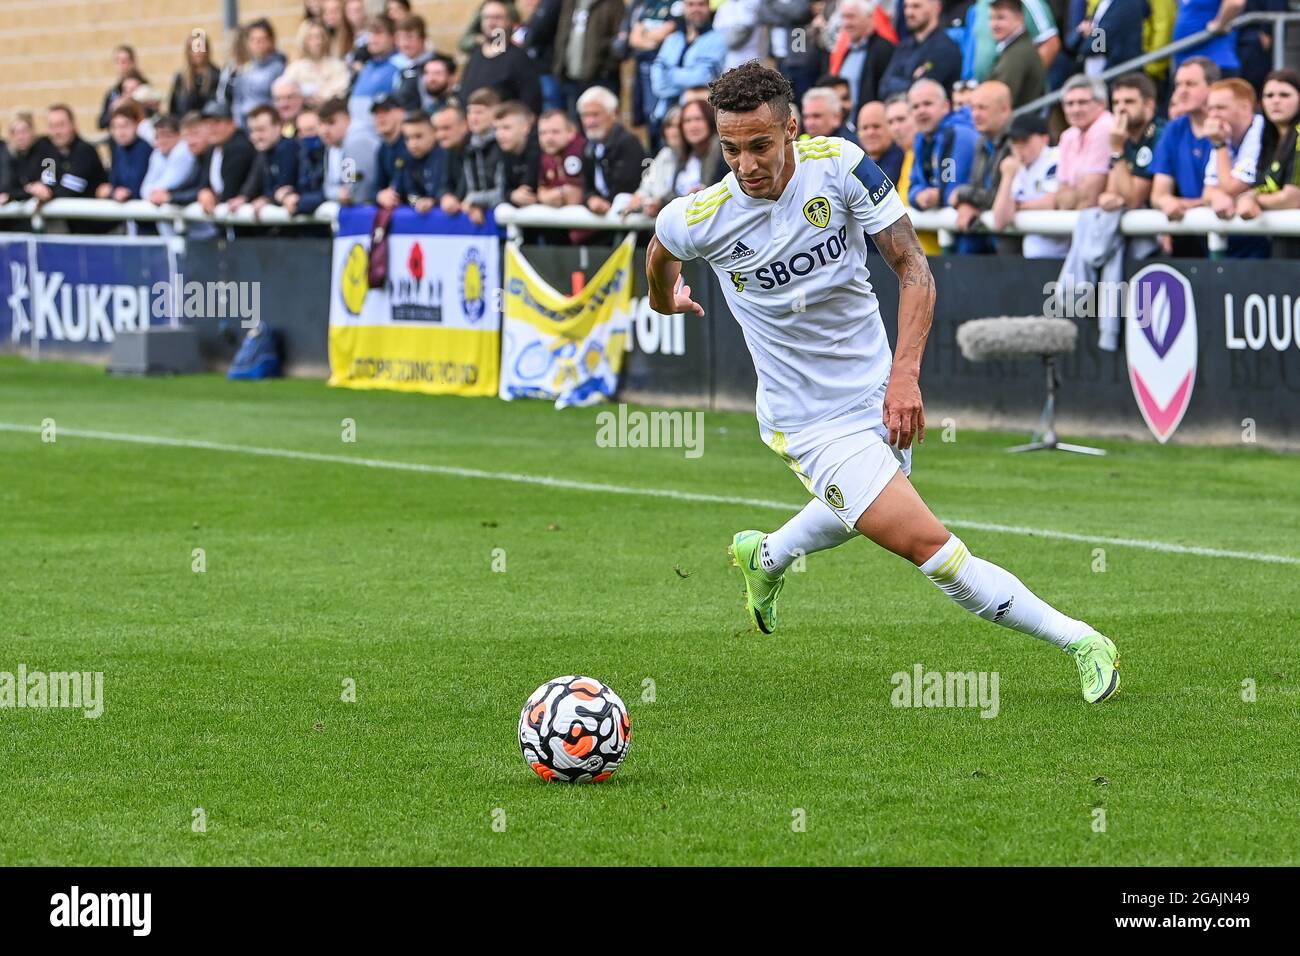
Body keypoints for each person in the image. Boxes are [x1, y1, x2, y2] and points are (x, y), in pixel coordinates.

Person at [646, 61, 1120, 703]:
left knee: (857, 512)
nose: (747, 164)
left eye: (761, 145)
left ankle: (766, 555)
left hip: (879, 389)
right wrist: (662, 301)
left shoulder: (839, 167)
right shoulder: (701, 215)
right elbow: (660, 249)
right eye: (731, 149)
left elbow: (913, 268)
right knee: (931, 547)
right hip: (807, 421)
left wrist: (903, 377)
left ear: (791, 128)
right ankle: (1084, 642)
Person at [1150, 57, 1219, 253]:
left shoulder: (1230, 125)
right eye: (1178, 84)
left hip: (1242, 242)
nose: (1182, 91)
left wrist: (1186, 204)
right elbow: (1158, 194)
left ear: (1213, 87)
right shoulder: (1174, 129)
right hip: (1194, 240)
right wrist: (1167, 202)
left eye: (1191, 84)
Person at [1201, 77, 1270, 256]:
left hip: (1271, 241)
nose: (1213, 115)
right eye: (1210, 108)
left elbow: (1232, 187)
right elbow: (1207, 191)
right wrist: (1217, 196)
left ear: (1246, 107)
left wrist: (1219, 145)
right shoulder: (1224, 134)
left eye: (1221, 108)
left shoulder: (1262, 130)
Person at [1238, 69, 1300, 256]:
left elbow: (1293, 198)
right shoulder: (1267, 138)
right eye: (1269, 95)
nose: (1275, 101)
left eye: (1284, 95)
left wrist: (1252, 198)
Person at [992, 112, 1070, 258]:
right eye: (1014, 141)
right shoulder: (1016, 167)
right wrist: (1007, 177)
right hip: (1032, 255)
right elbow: (1000, 220)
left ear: (1044, 138)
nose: (1018, 147)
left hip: (1062, 255)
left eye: (1024, 140)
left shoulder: (1055, 158)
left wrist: (1018, 206)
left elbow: (1052, 202)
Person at [949, 80, 1012, 251]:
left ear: (1005, 110)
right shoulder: (982, 141)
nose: (975, 114)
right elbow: (977, 187)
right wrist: (965, 204)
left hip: (1013, 241)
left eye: (983, 108)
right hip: (987, 235)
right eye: (973, 108)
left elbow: (998, 197)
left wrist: (962, 195)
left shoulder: (1017, 143)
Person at [649, 0, 728, 130]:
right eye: (691, 4)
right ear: (684, 8)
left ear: (708, 7)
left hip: (698, 118)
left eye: (701, 4)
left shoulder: (718, 39)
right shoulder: (672, 39)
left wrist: (668, 72)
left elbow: (702, 77)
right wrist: (687, 87)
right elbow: (657, 83)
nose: (696, 9)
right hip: (664, 116)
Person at [459, 1, 543, 116]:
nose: (491, 22)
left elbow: (531, 103)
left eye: (497, 17)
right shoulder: (475, 56)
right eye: (486, 17)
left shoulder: (519, 58)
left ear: (509, 21)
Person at [906, 79, 978, 213]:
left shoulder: (957, 135)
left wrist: (936, 196)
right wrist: (918, 196)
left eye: (927, 104)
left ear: (946, 106)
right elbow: (912, 186)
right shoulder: (921, 140)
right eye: (915, 107)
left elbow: (950, 189)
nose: (921, 111)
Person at [1098, 73, 1163, 212]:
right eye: (1116, 103)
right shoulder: (1124, 138)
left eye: (1129, 101)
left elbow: (1133, 200)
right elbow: (1111, 192)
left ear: (1149, 104)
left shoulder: (1160, 135)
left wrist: (1117, 149)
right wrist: (1107, 199)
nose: (1121, 108)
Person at [578, 85, 648, 214]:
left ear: (613, 114)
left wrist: (603, 203)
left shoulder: (628, 143)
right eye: (585, 115)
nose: (589, 122)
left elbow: (626, 188)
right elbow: (585, 187)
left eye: (595, 114)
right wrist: (591, 199)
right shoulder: (588, 146)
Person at [879, 0, 963, 101]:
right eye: (906, 7)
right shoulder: (904, 46)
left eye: (916, 6)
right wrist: (911, 83)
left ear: (936, 8)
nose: (909, 12)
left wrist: (900, 83)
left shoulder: (945, 48)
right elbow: (884, 86)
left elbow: (924, 91)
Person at [553, 0, 625, 115]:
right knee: (575, 125)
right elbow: (563, 33)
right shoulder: (570, 2)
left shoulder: (612, 3)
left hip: (601, 78)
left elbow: (620, 41)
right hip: (571, 78)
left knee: (602, 124)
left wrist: (605, 68)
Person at [1053, 75, 1113, 210]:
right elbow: (1060, 198)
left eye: (1082, 102)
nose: (1075, 110)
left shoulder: (1105, 127)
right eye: (1069, 104)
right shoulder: (1068, 135)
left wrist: (1072, 193)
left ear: (1102, 103)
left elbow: (1090, 196)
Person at [26, 105, 108, 203]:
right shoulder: (49, 152)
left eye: (61, 125)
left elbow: (69, 191)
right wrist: (38, 188)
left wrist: (47, 194)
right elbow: (47, 182)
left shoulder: (85, 151)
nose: (56, 132)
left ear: (73, 125)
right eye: (52, 126)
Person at [830, 0, 896, 118]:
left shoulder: (884, 49)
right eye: (843, 17)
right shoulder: (845, 50)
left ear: (869, 17)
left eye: (851, 17)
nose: (846, 23)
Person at [233, 104, 301, 213]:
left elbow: (286, 186)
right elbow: (253, 182)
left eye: (261, 130)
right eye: (252, 130)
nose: (255, 136)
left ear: (279, 127)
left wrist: (268, 200)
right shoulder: (264, 152)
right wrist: (243, 197)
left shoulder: (288, 148)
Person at [195, 101, 258, 213]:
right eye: (207, 123)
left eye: (217, 122)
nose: (211, 128)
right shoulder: (212, 150)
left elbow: (230, 192)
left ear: (232, 124)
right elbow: (204, 183)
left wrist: (214, 200)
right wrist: (204, 191)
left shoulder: (239, 147)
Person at [377, 110, 446, 212]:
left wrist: (434, 201)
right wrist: (417, 202)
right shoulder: (406, 158)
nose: (412, 144)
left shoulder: (445, 156)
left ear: (434, 133)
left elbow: (450, 191)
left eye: (418, 136)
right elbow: (407, 194)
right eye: (407, 138)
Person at [988, 0, 1044, 108]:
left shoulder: (1018, 54)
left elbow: (998, 102)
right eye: (991, 18)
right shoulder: (1016, 48)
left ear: (1019, 18)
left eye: (1000, 18)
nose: (994, 24)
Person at [232, 19, 287, 127]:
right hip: (245, 124)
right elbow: (237, 102)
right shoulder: (244, 70)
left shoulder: (279, 68)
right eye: (253, 39)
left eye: (262, 39)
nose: (258, 43)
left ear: (271, 41)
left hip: (268, 123)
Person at [284, 18, 352, 104]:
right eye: (311, 38)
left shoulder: (337, 66)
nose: (317, 42)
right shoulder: (296, 68)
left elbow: (341, 89)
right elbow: (287, 89)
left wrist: (320, 96)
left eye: (319, 37)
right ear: (304, 41)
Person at [100, 103, 153, 201]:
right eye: (115, 127)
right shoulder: (118, 150)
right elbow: (114, 182)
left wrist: (123, 193)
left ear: (136, 124)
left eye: (125, 126)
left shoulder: (145, 149)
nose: (120, 132)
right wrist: (113, 192)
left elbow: (138, 185)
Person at [170, 34, 222, 117]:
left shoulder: (217, 75)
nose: (198, 52)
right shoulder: (181, 77)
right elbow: (173, 108)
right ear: (188, 51)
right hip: (184, 125)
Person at [857, 100, 904, 185]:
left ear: (889, 127)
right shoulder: (855, 161)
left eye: (876, 126)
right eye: (865, 128)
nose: (870, 132)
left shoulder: (902, 155)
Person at [98, 45, 140, 130]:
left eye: (124, 61)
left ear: (133, 62)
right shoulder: (113, 92)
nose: (121, 66)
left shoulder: (143, 87)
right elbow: (101, 123)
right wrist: (115, 108)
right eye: (118, 62)